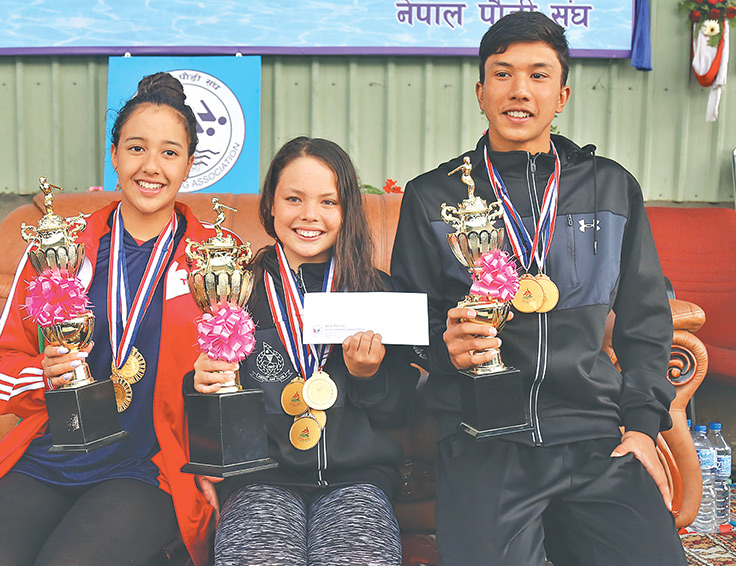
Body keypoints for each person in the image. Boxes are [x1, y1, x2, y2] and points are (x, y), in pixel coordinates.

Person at [390, 11, 687, 566]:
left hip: (593, 435)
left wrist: (644, 429)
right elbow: (412, 322)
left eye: (538, 75)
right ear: (480, 92)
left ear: (563, 93)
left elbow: (648, 320)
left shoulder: (611, 189)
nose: (519, 90)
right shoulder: (433, 197)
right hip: (482, 438)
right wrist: (443, 347)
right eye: (502, 75)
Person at [0, 72, 221, 566]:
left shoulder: (216, 262)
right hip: (52, 455)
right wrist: (43, 375)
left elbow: (232, 382)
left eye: (170, 152)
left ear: (189, 166)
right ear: (114, 155)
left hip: (146, 467)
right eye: (136, 148)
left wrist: (215, 453)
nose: (151, 166)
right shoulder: (61, 247)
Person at [193, 136, 419, 566]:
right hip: (258, 480)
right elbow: (205, 405)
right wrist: (202, 384)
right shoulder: (233, 291)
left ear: (346, 210)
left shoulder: (379, 293)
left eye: (328, 202)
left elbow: (401, 412)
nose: (309, 215)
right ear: (271, 206)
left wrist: (368, 377)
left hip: (357, 481)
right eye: (293, 198)